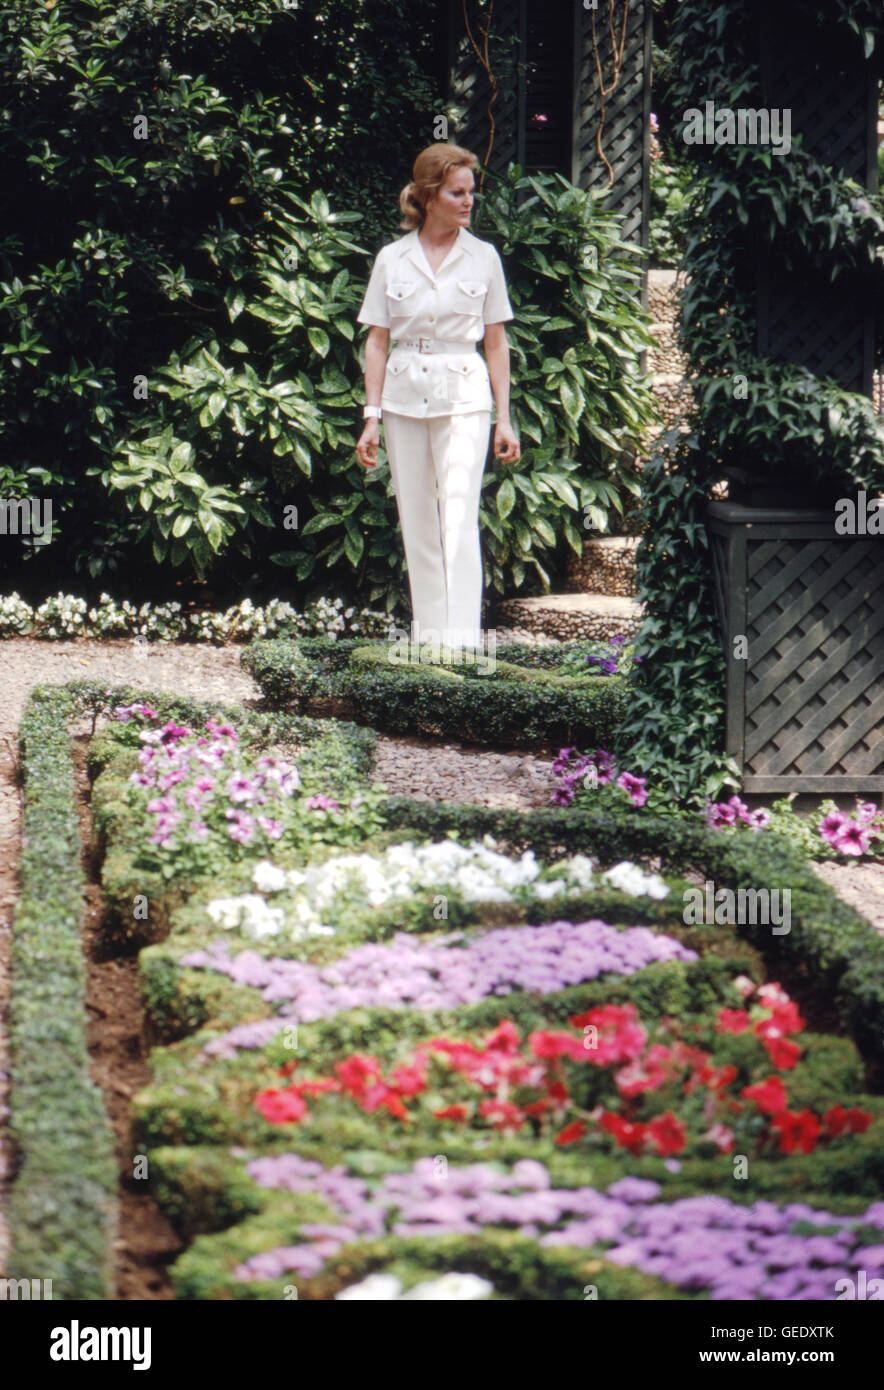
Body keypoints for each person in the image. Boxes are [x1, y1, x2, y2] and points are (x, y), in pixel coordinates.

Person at [355, 143, 519, 656]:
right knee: (418, 521)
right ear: (429, 197)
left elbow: (495, 340)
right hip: (403, 400)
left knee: (458, 513)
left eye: (472, 192)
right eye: (458, 193)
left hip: (465, 397)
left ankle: (464, 648)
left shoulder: (484, 256)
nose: (469, 202)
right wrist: (371, 417)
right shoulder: (392, 258)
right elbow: (377, 340)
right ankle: (431, 647)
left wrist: (505, 419)